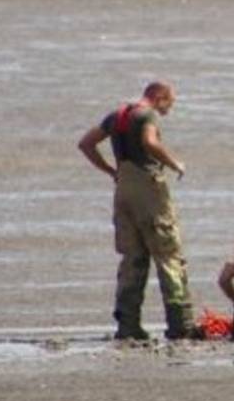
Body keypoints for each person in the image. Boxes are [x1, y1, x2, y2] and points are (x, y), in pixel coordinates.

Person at [77, 80, 200, 340]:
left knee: (132, 259)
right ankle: (182, 325)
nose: (170, 109)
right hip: (148, 190)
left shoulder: (116, 116)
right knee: (168, 256)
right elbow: (149, 142)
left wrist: (112, 171)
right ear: (159, 96)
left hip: (123, 191)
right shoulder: (148, 114)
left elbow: (86, 144)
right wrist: (174, 163)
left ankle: (128, 325)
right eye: (170, 103)